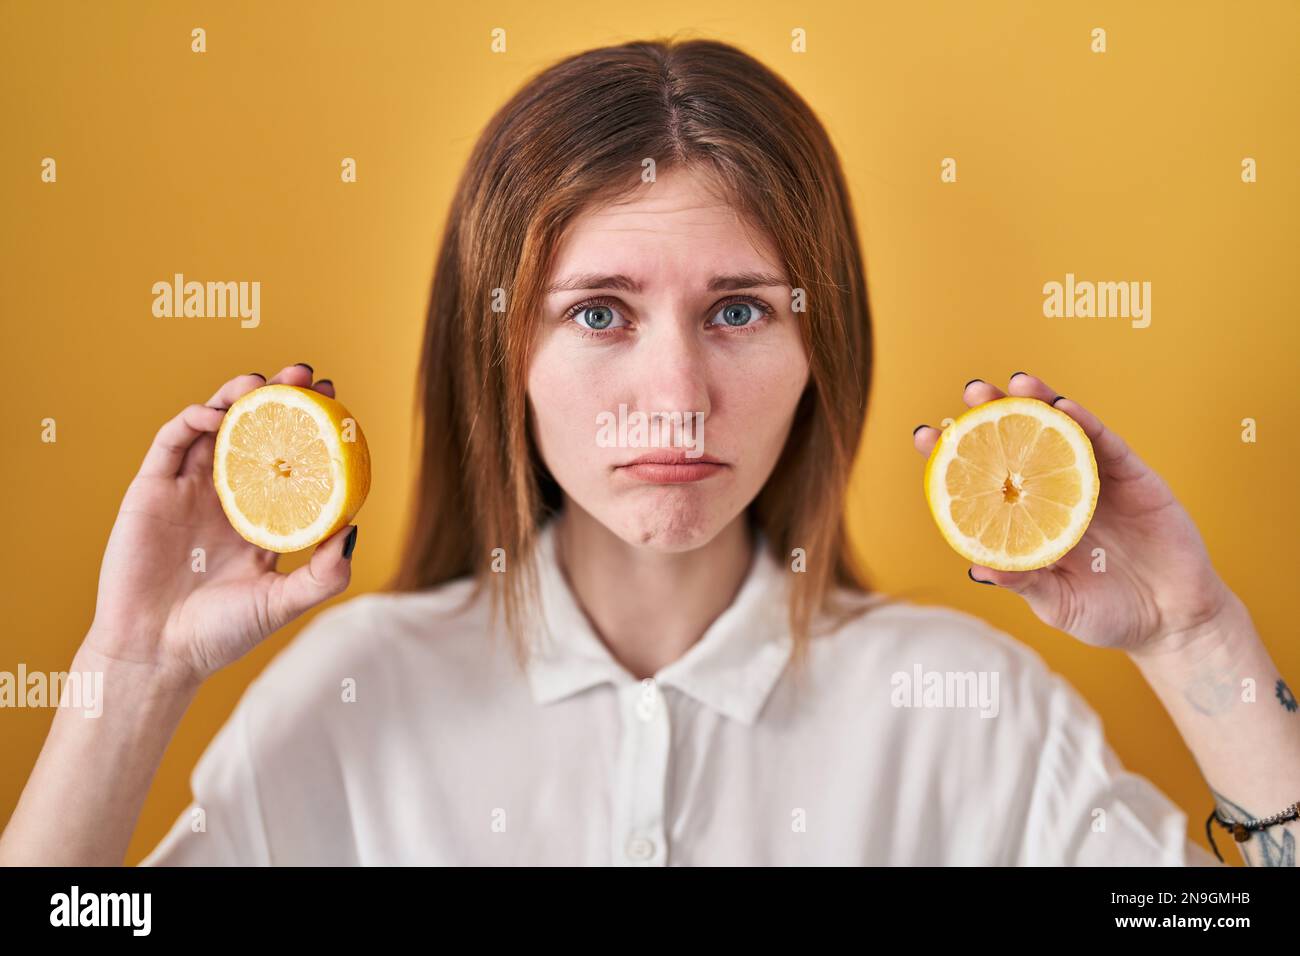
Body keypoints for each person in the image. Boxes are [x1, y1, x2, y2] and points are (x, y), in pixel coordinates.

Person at [2, 39, 1295, 867]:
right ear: (498, 349)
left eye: (739, 311)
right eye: (600, 314)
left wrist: (1196, 642)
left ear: (818, 349)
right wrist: (133, 671)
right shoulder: (354, 703)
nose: (674, 399)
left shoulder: (970, 717)